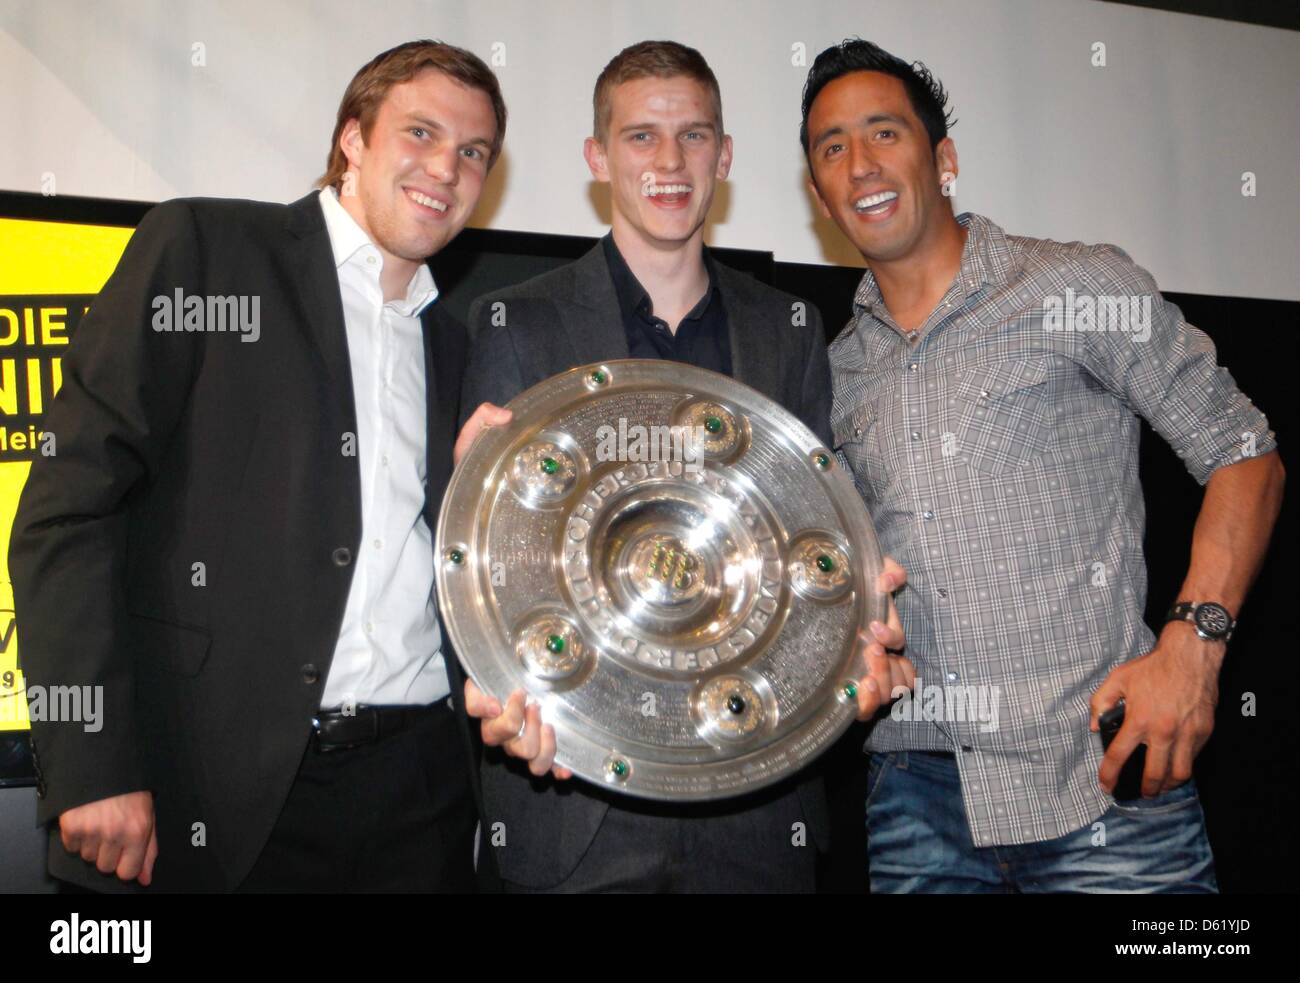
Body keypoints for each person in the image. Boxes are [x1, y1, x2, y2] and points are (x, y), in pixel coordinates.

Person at [10, 39, 510, 892]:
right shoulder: (207, 249)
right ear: (352, 137)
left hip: (418, 795)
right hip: (217, 788)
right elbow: (69, 504)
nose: (447, 168)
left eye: (474, 153)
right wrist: (91, 758)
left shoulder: (454, 340)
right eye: (420, 133)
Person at [800, 38, 1285, 893]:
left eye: (885, 133)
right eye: (832, 147)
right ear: (820, 194)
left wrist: (1193, 645)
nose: (860, 163)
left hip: (1106, 784)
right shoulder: (832, 371)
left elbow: (1244, 452)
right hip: (914, 799)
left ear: (942, 158)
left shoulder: (1077, 286)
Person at [458, 40, 912, 893]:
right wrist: (497, 694)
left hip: (756, 806)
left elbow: (814, 543)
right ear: (598, 158)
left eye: (694, 136)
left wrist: (860, 615)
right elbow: (488, 564)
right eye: (640, 138)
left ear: (726, 156)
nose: (669, 162)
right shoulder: (515, 325)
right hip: (573, 805)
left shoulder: (788, 330)